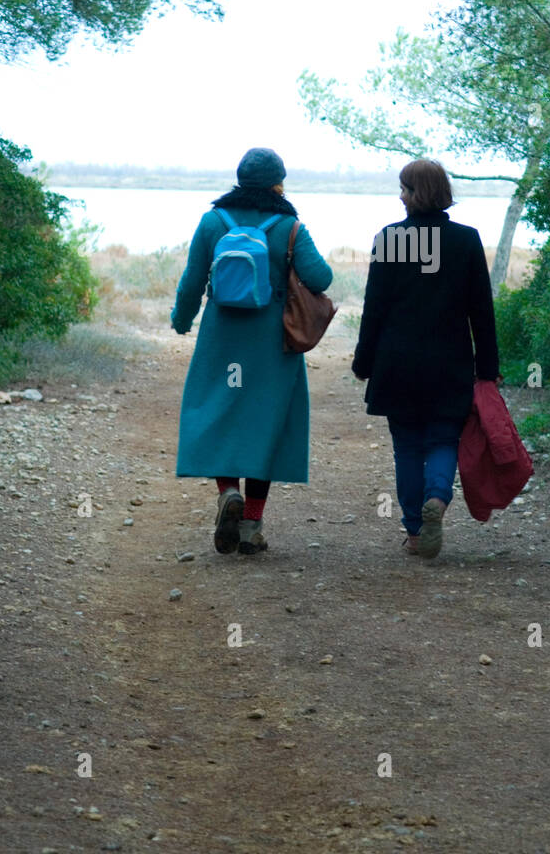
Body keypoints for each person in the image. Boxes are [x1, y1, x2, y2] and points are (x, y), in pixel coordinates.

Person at [171, 147, 333, 556]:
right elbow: (321, 276)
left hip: (222, 338)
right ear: (278, 183)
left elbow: (192, 281)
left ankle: (228, 492)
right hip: (271, 343)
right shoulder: (289, 225)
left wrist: (182, 319)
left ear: (239, 180)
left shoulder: (213, 221)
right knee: (268, 423)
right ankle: (251, 526)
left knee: (220, 414)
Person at [351, 159, 500, 559]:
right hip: (449, 362)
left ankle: (415, 531)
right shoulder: (466, 240)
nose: (400, 196)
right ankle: (438, 499)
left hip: (397, 364)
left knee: (407, 448)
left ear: (418, 193)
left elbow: (374, 309)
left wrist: (363, 362)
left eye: (404, 188)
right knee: (442, 439)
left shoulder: (390, 239)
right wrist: (488, 369)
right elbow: (481, 312)